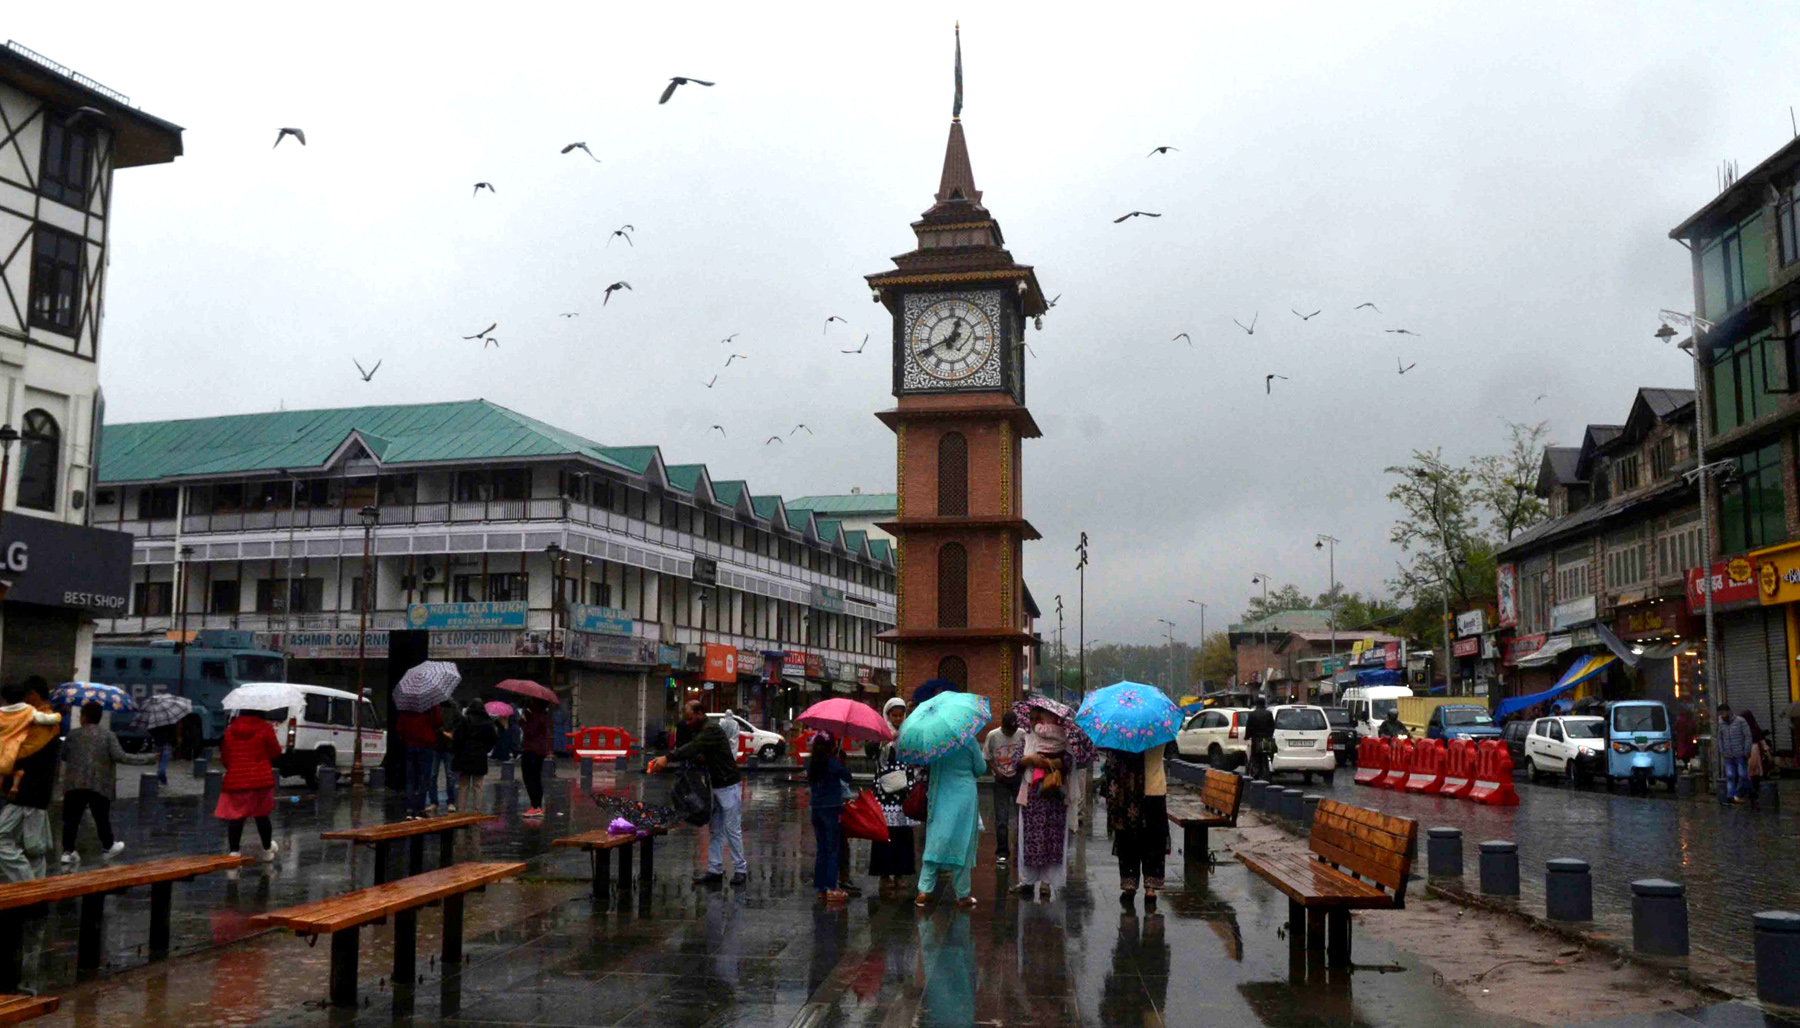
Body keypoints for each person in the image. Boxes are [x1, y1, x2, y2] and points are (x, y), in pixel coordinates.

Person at [650, 700, 747, 884]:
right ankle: (714, 869)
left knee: (732, 829)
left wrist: (667, 757)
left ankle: (741, 870)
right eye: (685, 719)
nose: (687, 722)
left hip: (729, 786)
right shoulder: (703, 730)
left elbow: (694, 747)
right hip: (716, 786)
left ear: (701, 713)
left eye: (690, 718)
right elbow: (697, 751)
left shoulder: (711, 730)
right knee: (715, 829)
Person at [61, 702, 156, 864]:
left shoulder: (73, 735)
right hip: (100, 783)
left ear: (84, 717)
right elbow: (122, 756)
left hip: (75, 783)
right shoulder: (108, 735)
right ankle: (108, 846)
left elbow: (64, 755)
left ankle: (68, 851)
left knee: (72, 818)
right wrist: (150, 758)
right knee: (101, 817)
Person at [0, 682, 61, 882]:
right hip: (39, 794)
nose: (25, 702)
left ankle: (27, 884)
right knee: (35, 849)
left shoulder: (40, 724)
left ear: (34, 694)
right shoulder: (45, 720)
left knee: (2, 840)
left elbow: (23, 753)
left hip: (25, 792)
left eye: (27, 697)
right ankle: (38, 896)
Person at [918, 729, 985, 909]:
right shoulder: (969, 740)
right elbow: (980, 768)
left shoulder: (936, 740)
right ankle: (962, 895)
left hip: (940, 794)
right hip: (964, 797)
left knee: (935, 841)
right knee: (963, 843)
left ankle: (924, 890)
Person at [1014, 708, 1073, 901]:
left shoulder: (1062, 737)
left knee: (1051, 840)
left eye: (1037, 718)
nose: (1032, 722)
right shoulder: (1025, 738)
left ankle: (1047, 882)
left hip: (1054, 795)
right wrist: (1030, 759)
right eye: (1030, 719)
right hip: (1031, 795)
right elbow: (1015, 762)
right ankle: (1027, 881)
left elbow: (1069, 762)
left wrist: (1050, 762)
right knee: (1030, 839)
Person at [1103, 742, 1169, 905]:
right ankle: (1150, 887)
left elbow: (1112, 764)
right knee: (1152, 838)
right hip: (1154, 789)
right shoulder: (1158, 725)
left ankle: (1129, 884)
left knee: (1129, 838)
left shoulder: (1123, 733)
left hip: (1128, 792)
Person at [869, 697, 921, 889]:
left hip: (903, 792)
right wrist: (884, 742)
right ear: (888, 715)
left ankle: (900, 873)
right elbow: (870, 752)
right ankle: (883, 874)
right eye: (894, 715)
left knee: (902, 834)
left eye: (901, 715)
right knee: (884, 833)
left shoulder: (909, 732)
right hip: (885, 791)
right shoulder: (880, 733)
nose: (898, 719)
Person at [217, 709, 281, 860]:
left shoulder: (231, 730)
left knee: (236, 816)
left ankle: (234, 852)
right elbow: (276, 752)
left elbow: (225, 757)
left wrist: (234, 768)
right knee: (262, 815)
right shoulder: (265, 728)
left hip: (237, 779)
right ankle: (266, 849)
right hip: (260, 779)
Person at [807, 730, 854, 902]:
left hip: (816, 809)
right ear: (831, 746)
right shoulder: (832, 763)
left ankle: (821, 888)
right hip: (832, 810)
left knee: (822, 850)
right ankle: (832, 888)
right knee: (833, 849)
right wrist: (840, 761)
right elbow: (848, 777)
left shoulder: (812, 763)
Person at [983, 711, 1026, 865]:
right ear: (1002, 726)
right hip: (1000, 780)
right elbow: (988, 758)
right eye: (1008, 731)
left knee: (1021, 815)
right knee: (1002, 818)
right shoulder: (993, 736)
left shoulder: (1022, 734)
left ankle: (1021, 849)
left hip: (1017, 779)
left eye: (1013, 731)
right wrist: (996, 771)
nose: (1011, 733)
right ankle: (1002, 852)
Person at [395, 702, 442, 820]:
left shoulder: (407, 705)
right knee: (423, 778)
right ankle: (420, 809)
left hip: (410, 744)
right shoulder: (432, 703)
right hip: (426, 745)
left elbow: (400, 726)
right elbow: (438, 723)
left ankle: (410, 810)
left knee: (410, 779)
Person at [451, 700, 499, 813]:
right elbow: (493, 739)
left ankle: (461, 811)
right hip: (480, 757)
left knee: (463, 785)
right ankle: (477, 810)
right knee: (478, 785)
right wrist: (485, 749)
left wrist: (456, 752)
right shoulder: (488, 722)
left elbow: (457, 738)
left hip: (464, 756)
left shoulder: (464, 720)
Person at [520, 701, 553, 817]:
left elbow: (530, 731)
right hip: (539, 751)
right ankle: (537, 806)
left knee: (530, 778)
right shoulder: (544, 714)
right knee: (536, 778)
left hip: (531, 751)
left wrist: (523, 721)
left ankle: (535, 806)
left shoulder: (535, 715)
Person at [430, 698, 463, 814]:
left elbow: (460, 723)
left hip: (447, 746)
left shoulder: (452, 707)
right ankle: (434, 802)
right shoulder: (434, 707)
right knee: (433, 775)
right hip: (436, 745)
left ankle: (450, 802)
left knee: (449, 775)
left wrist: (452, 733)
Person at [1716, 703, 1753, 804]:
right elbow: (1720, 738)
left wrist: (1746, 750)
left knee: (1742, 775)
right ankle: (1730, 796)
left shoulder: (1740, 721)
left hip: (1740, 754)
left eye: (1723, 713)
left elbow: (1747, 736)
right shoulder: (1721, 724)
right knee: (1730, 776)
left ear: (1729, 712)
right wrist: (1722, 750)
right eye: (1720, 714)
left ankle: (1740, 793)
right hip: (1728, 755)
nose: (1722, 716)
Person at [1245, 697, 1276, 777]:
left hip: (1256, 739)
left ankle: (1255, 772)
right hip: (1266, 739)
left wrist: (1247, 736)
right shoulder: (1268, 713)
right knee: (1266, 755)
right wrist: (1269, 735)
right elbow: (1272, 726)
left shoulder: (1252, 714)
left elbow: (1248, 727)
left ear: (1256, 704)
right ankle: (1267, 771)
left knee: (1255, 757)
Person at [1674, 705, 1699, 769]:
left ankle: (1685, 763)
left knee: (1683, 751)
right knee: (1688, 751)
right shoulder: (1690, 721)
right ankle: (1686, 763)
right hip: (1687, 738)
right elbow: (1694, 728)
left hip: (1682, 738)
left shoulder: (1680, 720)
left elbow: (1675, 727)